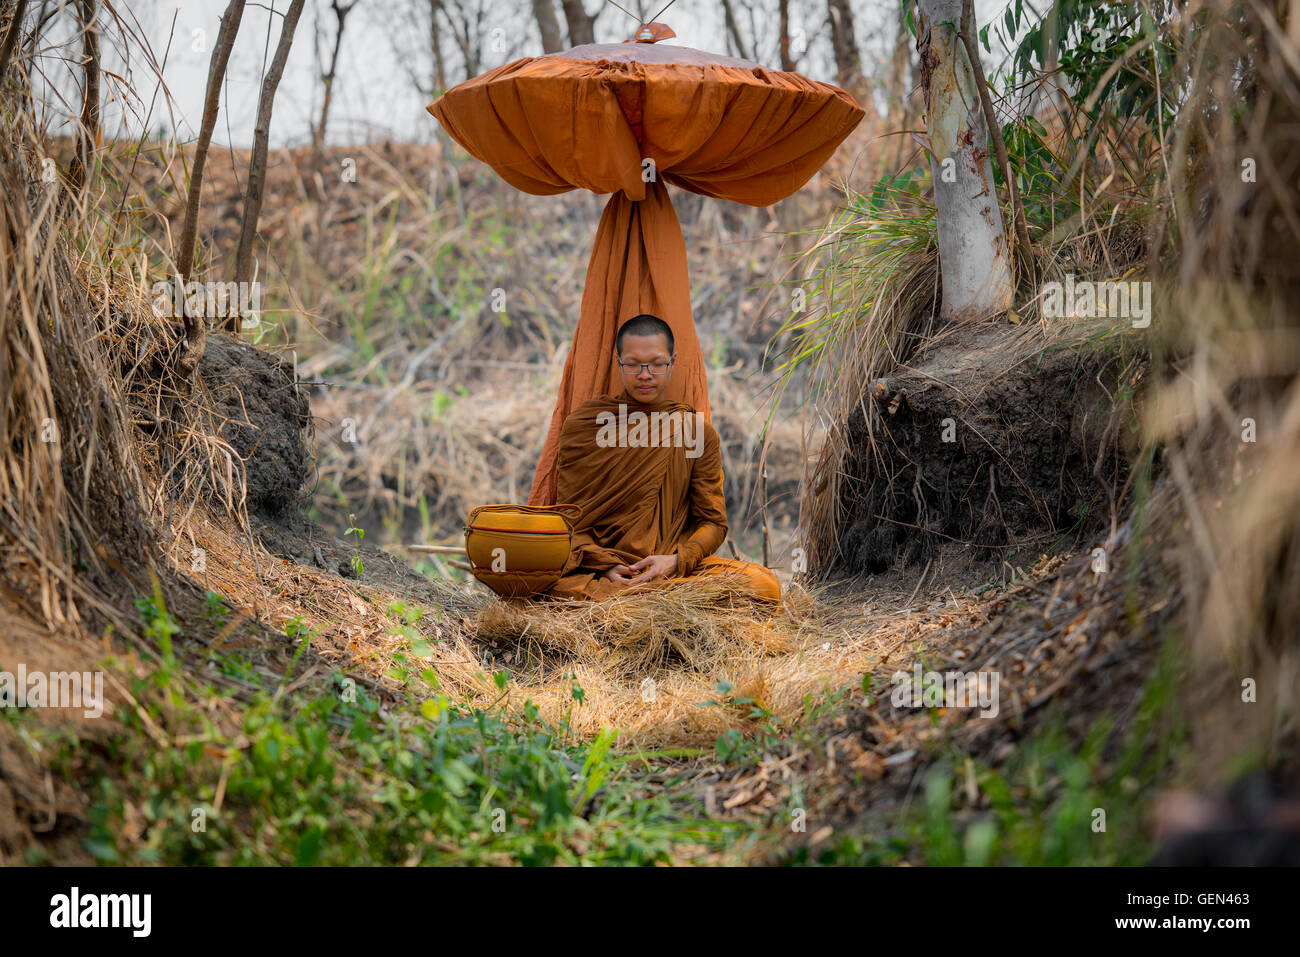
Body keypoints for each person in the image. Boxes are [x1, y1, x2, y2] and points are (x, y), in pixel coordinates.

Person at [545, 314, 780, 602]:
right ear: (618, 362)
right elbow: (570, 520)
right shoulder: (585, 426)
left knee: (762, 587)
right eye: (633, 364)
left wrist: (675, 561)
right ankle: (634, 601)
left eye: (657, 363)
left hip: (674, 574)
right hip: (603, 575)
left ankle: (642, 602)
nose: (645, 374)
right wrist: (604, 566)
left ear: (673, 361)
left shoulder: (695, 432)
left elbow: (713, 523)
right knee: (548, 588)